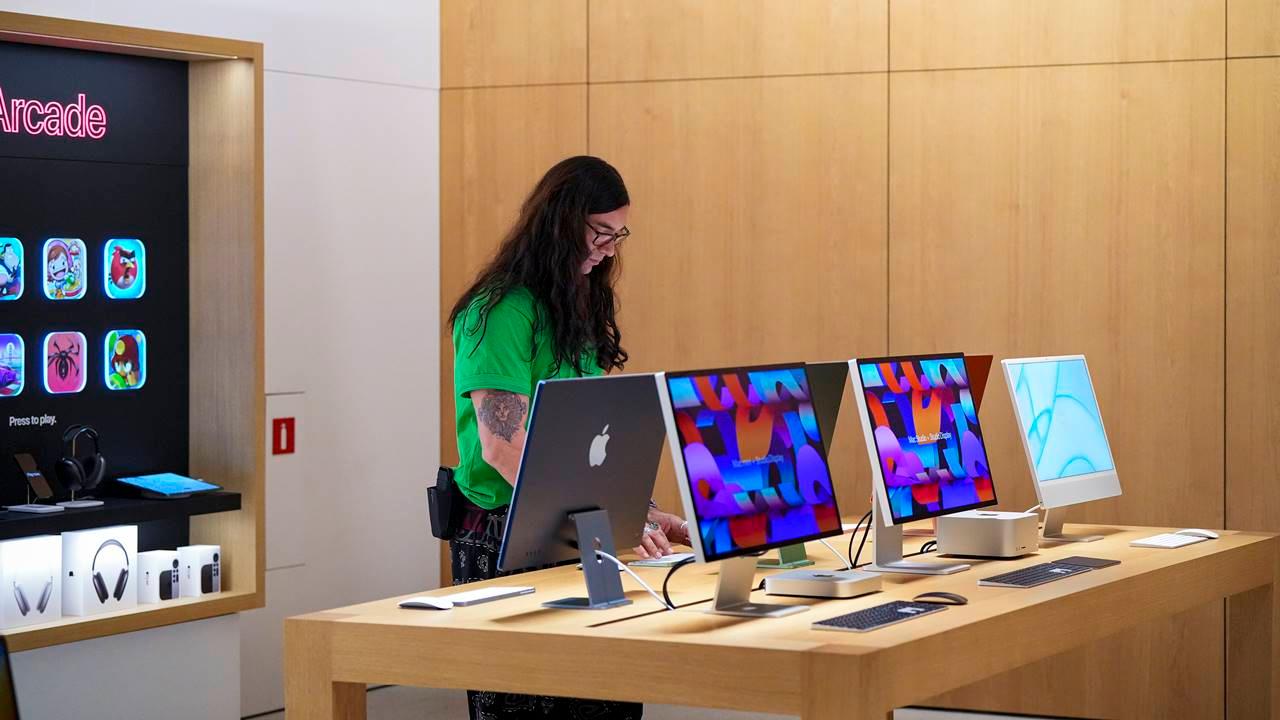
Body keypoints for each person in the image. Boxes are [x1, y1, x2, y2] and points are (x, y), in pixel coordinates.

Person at [448, 155, 687, 719]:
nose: (608, 249)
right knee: (531, 703)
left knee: (605, 700)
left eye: (618, 235)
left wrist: (642, 512)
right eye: (600, 232)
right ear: (559, 222)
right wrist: (607, 520)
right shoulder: (500, 310)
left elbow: (591, 447)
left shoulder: (571, 305)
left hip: (581, 527)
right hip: (508, 533)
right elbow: (504, 449)